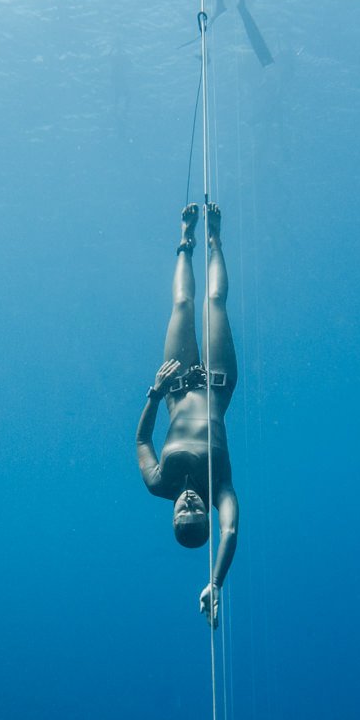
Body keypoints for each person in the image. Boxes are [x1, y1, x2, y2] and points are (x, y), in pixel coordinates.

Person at [136, 202, 240, 624]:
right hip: (216, 382)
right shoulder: (220, 490)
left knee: (182, 305)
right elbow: (231, 530)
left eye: (184, 511)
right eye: (198, 512)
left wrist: (155, 394)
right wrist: (216, 582)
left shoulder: (160, 484)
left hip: (175, 386)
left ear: (174, 514)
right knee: (215, 301)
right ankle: (215, 238)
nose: (192, 503)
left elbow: (142, 441)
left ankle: (186, 241)